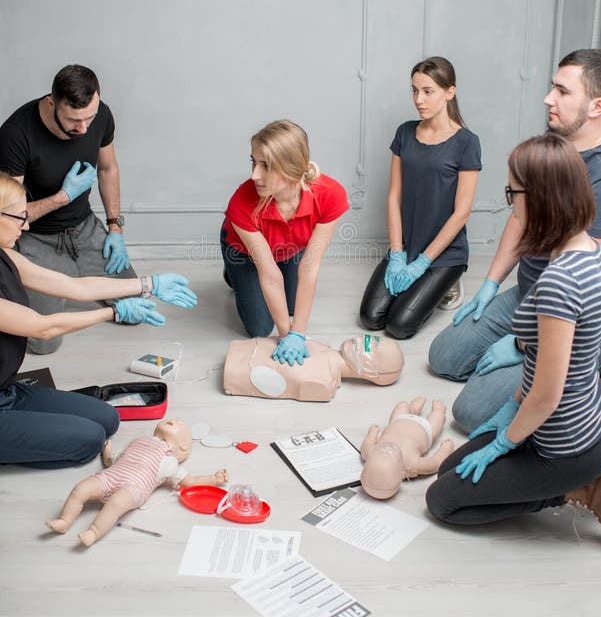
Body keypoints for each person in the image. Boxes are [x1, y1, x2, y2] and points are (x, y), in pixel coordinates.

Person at [426, 134, 601, 527]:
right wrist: (509, 409)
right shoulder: (588, 249)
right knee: (448, 471)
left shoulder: (561, 280)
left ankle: (573, 491)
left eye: (512, 192)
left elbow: (547, 395)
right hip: (559, 421)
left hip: (560, 448)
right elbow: (541, 362)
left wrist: (505, 441)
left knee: (442, 502)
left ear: (539, 198)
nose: (511, 202)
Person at [429, 49, 601, 433]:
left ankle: (579, 377)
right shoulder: (552, 145)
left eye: (562, 91)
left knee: (470, 413)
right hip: (529, 292)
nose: (548, 99)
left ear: (595, 106)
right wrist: (490, 284)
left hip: (569, 312)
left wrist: (526, 346)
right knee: (443, 357)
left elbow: (585, 283)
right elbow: (519, 216)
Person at [0, 173, 197, 469]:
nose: (26, 225)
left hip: (7, 390)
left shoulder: (7, 257)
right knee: (89, 440)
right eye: (20, 217)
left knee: (107, 418)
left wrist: (149, 284)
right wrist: (113, 312)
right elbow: (43, 327)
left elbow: (76, 286)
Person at [0, 64, 136, 354]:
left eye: (90, 117)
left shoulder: (101, 116)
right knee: (44, 344)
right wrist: (64, 195)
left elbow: (108, 169)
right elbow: (8, 215)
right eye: (74, 120)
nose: (84, 129)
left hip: (84, 227)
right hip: (34, 236)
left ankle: (71, 278)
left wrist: (115, 227)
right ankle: (44, 283)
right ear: (52, 103)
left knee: (135, 307)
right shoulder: (15, 135)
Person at [359, 56, 481, 339]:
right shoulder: (405, 133)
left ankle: (449, 281)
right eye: (414, 90)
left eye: (428, 91)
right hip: (406, 247)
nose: (419, 99)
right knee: (370, 319)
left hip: (444, 253)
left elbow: (461, 213)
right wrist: (398, 252)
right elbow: (394, 197)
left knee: (399, 326)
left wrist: (423, 262)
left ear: (449, 92)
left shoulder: (466, 142)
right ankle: (417, 271)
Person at [221, 119, 349, 365]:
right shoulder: (241, 203)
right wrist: (284, 335)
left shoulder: (330, 195)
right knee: (260, 327)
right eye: (253, 162)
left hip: (290, 249)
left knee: (292, 307)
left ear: (291, 167)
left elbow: (310, 268)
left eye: (266, 165)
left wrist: (298, 333)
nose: (255, 175)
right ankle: (234, 273)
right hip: (244, 252)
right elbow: (269, 274)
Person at [46, 418, 228, 546]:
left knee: (115, 503)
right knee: (81, 489)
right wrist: (107, 451)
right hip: (110, 476)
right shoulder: (138, 442)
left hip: (134, 488)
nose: (173, 419)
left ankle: (94, 531)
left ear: (184, 446)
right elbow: (112, 461)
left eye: (179, 424)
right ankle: (65, 520)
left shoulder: (169, 460)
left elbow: (191, 481)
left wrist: (213, 479)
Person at [223, 333, 404, 401]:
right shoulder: (322, 346)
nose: (361, 339)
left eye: (371, 348)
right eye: (372, 338)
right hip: (240, 352)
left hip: (235, 373)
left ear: (372, 372)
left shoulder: (321, 384)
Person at [360, 398, 454, 500]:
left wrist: (373, 433)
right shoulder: (410, 464)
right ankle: (439, 410)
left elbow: (367, 444)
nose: (386, 451)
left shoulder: (370, 452)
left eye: (380, 455)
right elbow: (435, 463)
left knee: (402, 405)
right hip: (426, 428)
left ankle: (413, 409)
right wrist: (445, 449)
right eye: (389, 457)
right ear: (401, 474)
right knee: (437, 418)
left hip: (398, 420)